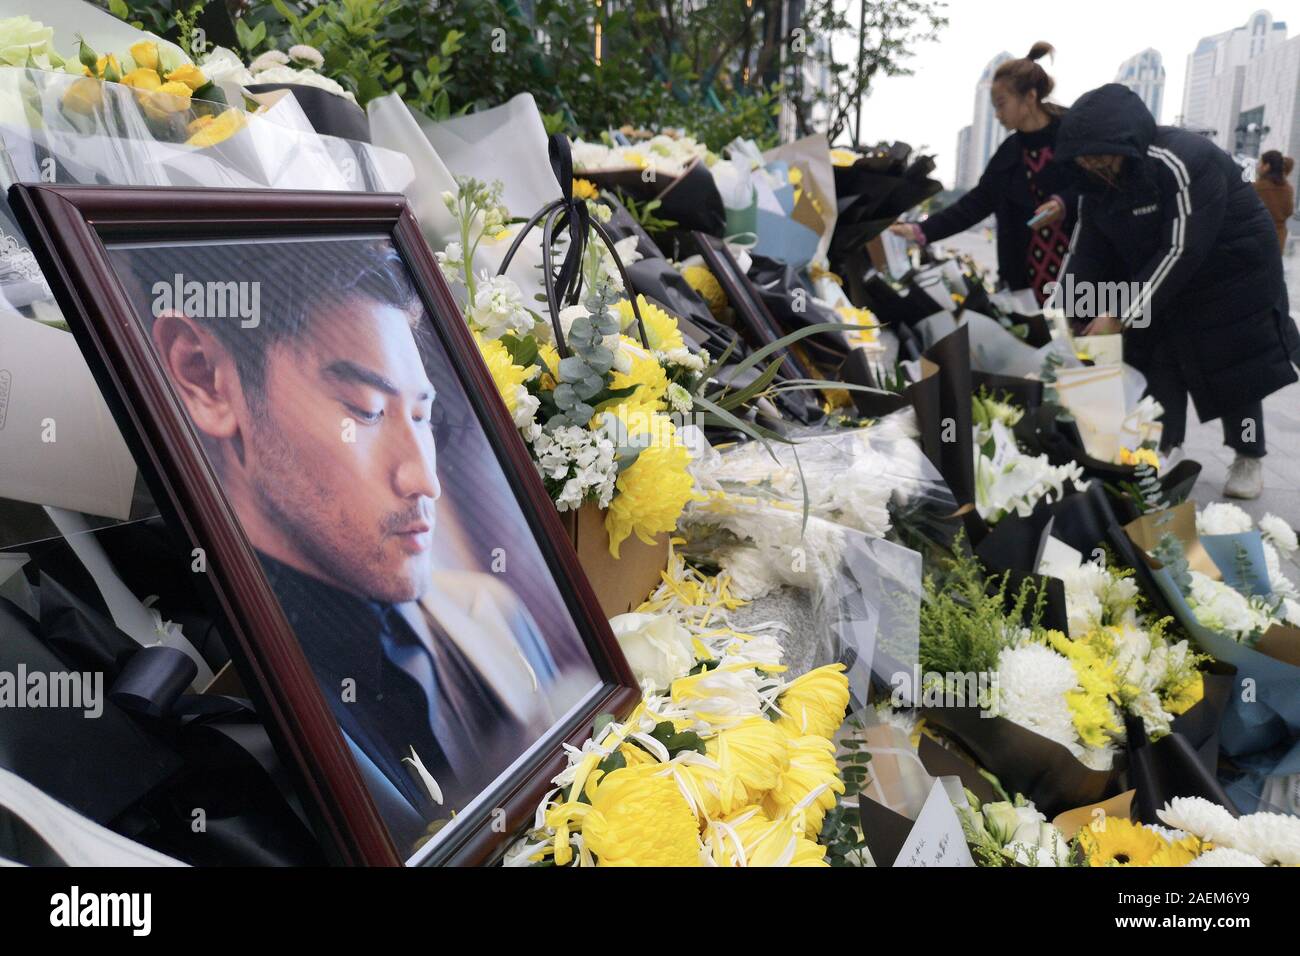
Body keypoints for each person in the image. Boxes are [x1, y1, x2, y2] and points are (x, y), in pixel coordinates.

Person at [143, 239, 564, 853]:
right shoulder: (238, 720)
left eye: (422, 417)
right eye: (365, 411)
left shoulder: (491, 612)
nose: (424, 479)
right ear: (206, 378)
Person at [1051, 83, 1299, 500]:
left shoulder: (1182, 160)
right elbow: (1087, 253)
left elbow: (1182, 247)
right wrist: (1064, 317)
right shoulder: (1096, 185)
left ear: (1125, 142)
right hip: (1168, 273)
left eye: (1100, 154)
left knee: (1235, 368)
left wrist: (1120, 312)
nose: (1093, 164)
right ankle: (1165, 446)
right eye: (1085, 157)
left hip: (1233, 273)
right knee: (1156, 356)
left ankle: (1248, 453)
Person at [890, 42, 1076, 305]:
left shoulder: (1074, 135)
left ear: (1030, 97)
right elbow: (975, 204)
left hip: (1079, 273)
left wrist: (1063, 203)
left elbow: (1095, 184)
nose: (998, 115)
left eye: (1001, 104)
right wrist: (919, 231)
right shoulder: (1010, 153)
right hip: (1026, 279)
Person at [1255, 150, 1295, 253]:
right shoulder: (1288, 189)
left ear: (1267, 166)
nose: (1258, 166)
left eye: (1260, 163)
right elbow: (1289, 211)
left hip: (1257, 238)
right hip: (1278, 240)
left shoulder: (1257, 188)